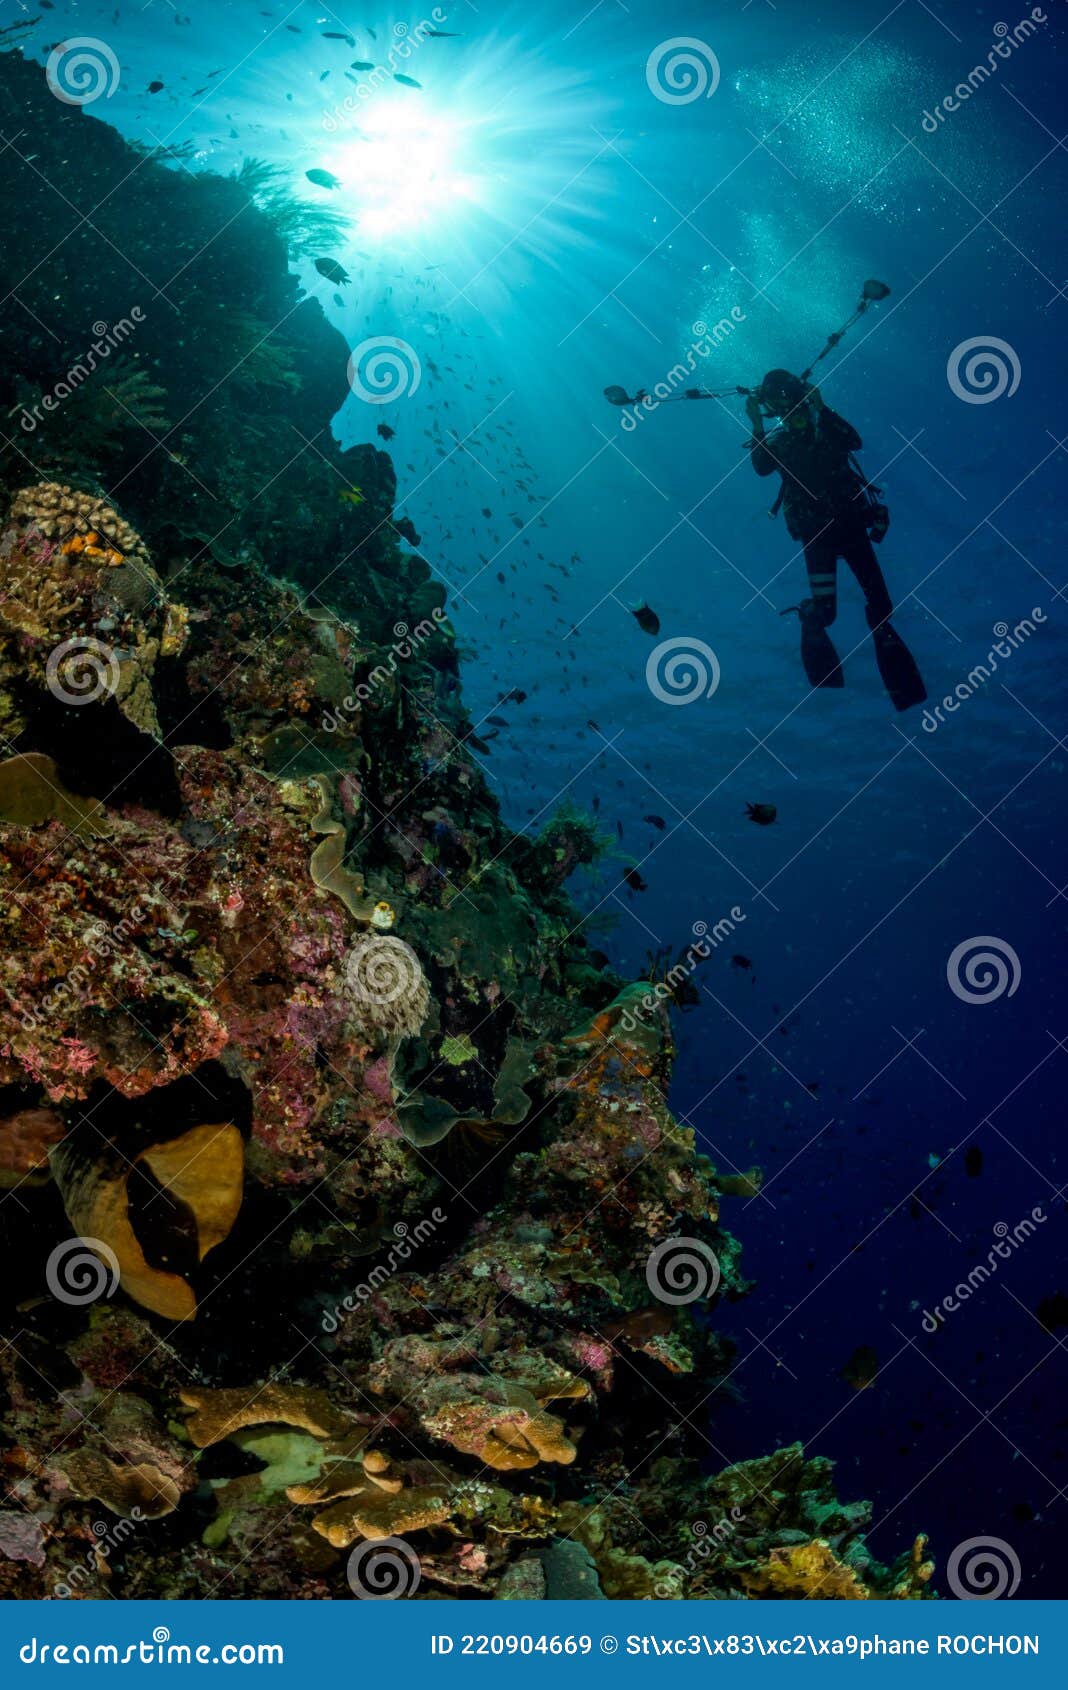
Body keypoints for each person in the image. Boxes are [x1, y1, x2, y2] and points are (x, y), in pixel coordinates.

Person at [745, 369, 926, 712]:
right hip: (818, 537)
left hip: (851, 527)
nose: (794, 417)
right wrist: (755, 423)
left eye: (797, 407)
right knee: (825, 614)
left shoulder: (825, 427)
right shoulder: (780, 440)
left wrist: (822, 407)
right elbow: (761, 467)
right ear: (777, 412)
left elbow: (854, 440)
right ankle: (814, 630)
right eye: (786, 411)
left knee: (882, 608)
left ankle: (899, 682)